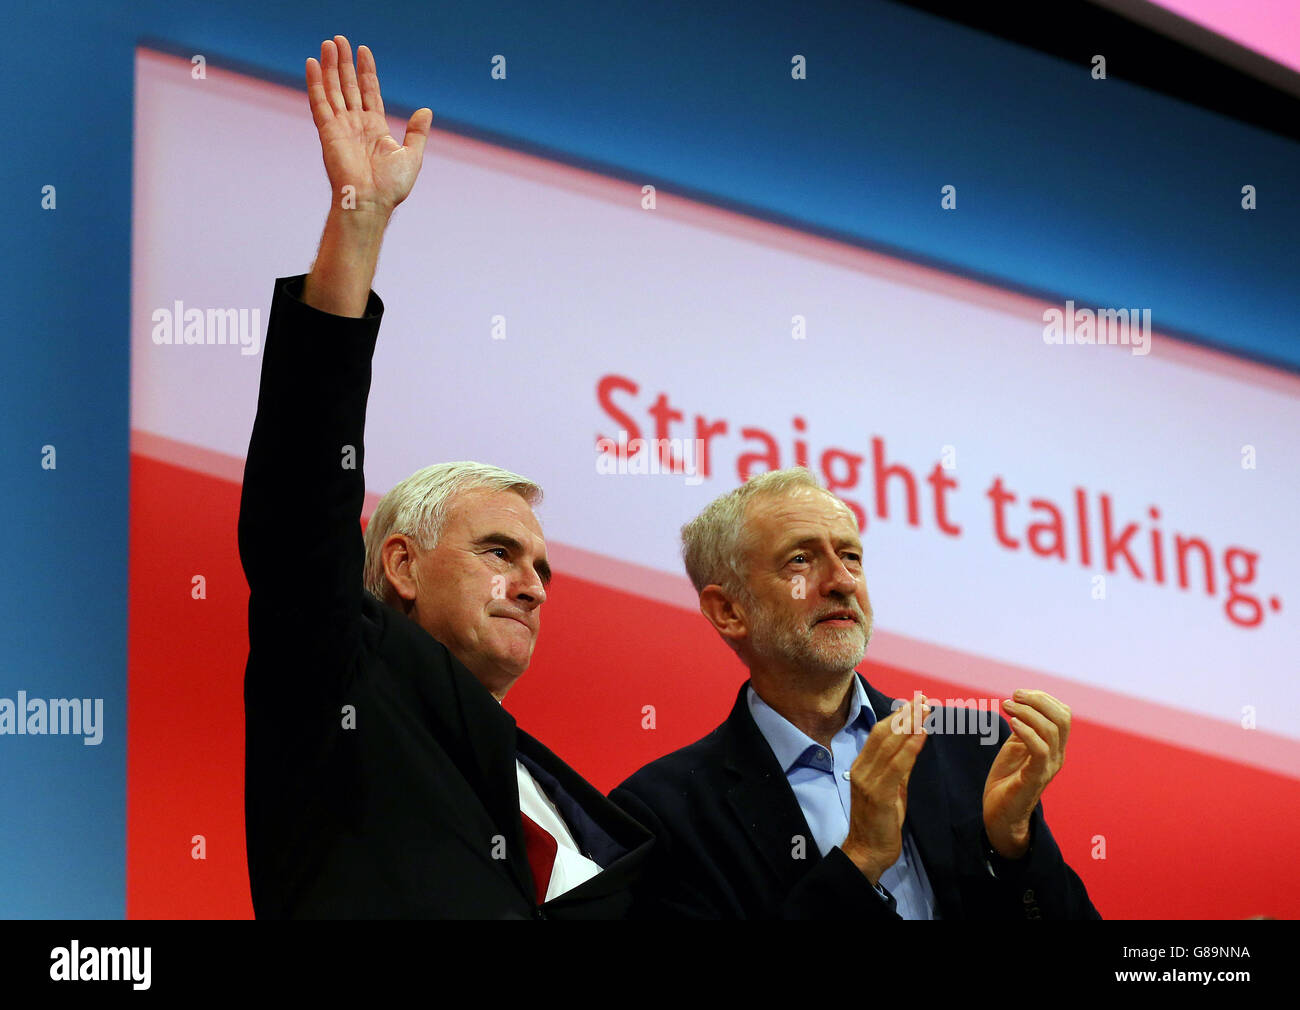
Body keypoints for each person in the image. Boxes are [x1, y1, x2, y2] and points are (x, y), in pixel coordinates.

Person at [238, 35, 651, 918]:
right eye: (500, 551)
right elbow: (299, 504)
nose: (533, 587)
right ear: (399, 565)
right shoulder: (339, 682)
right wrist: (359, 220)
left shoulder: (572, 805)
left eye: (542, 569)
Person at [610, 468, 1100, 919]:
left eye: (850, 556)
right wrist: (860, 858)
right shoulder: (664, 813)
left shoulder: (974, 747)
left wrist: (1012, 847)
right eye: (800, 559)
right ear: (728, 611)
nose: (842, 581)